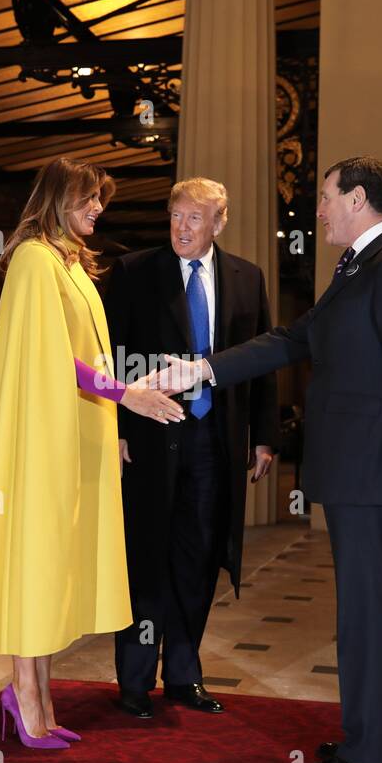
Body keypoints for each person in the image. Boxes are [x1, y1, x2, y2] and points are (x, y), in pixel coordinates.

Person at [148, 156, 382, 763]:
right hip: (355, 465)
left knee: (373, 611)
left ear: (358, 199)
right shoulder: (356, 267)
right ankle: (366, 738)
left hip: (372, 463)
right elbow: (292, 339)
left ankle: (377, 756)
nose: (319, 210)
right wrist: (201, 370)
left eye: (327, 198)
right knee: (359, 613)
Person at [0, 157, 183, 749]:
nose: (98, 208)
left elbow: (88, 356)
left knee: (56, 566)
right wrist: (125, 393)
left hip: (75, 434)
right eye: (89, 198)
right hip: (40, 444)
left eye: (101, 199)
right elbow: (54, 360)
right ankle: (25, 692)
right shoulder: (33, 259)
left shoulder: (72, 262)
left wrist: (124, 396)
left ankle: (41, 696)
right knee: (35, 563)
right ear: (57, 197)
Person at [102, 177, 279, 719]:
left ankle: (183, 675)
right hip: (150, 443)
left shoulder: (248, 279)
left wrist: (266, 436)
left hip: (215, 444)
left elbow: (263, 362)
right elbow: (110, 355)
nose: (181, 227)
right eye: (176, 216)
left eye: (194, 218)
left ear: (219, 222)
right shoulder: (133, 272)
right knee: (145, 558)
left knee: (198, 561)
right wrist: (118, 428)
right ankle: (135, 682)